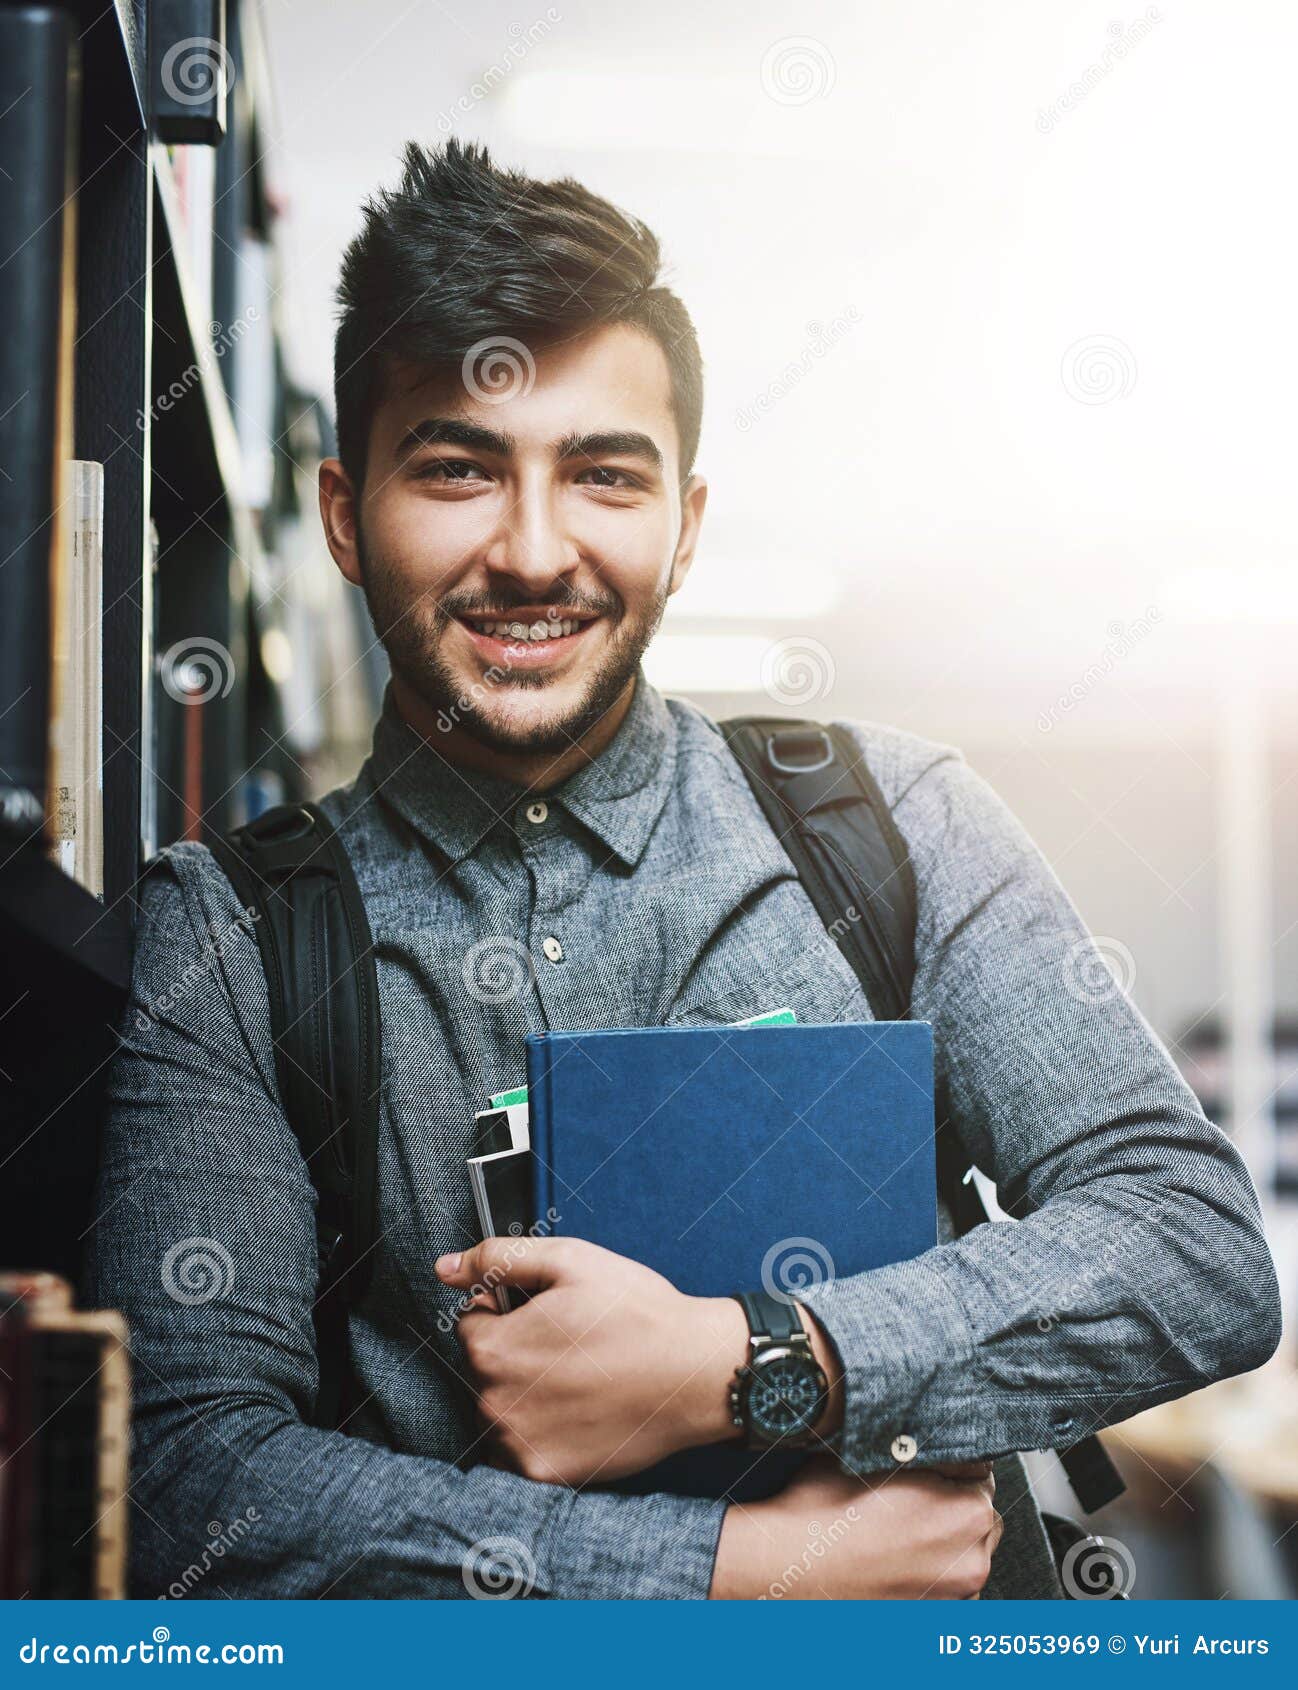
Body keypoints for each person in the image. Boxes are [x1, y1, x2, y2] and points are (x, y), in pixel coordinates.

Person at [86, 140, 1279, 1601]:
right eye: (457, 468)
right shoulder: (228, 934)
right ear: (343, 512)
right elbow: (196, 1482)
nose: (532, 550)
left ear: (685, 524)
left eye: (603, 475)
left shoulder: (890, 822)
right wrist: (734, 1570)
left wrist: (750, 1363)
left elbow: (1190, 1247)